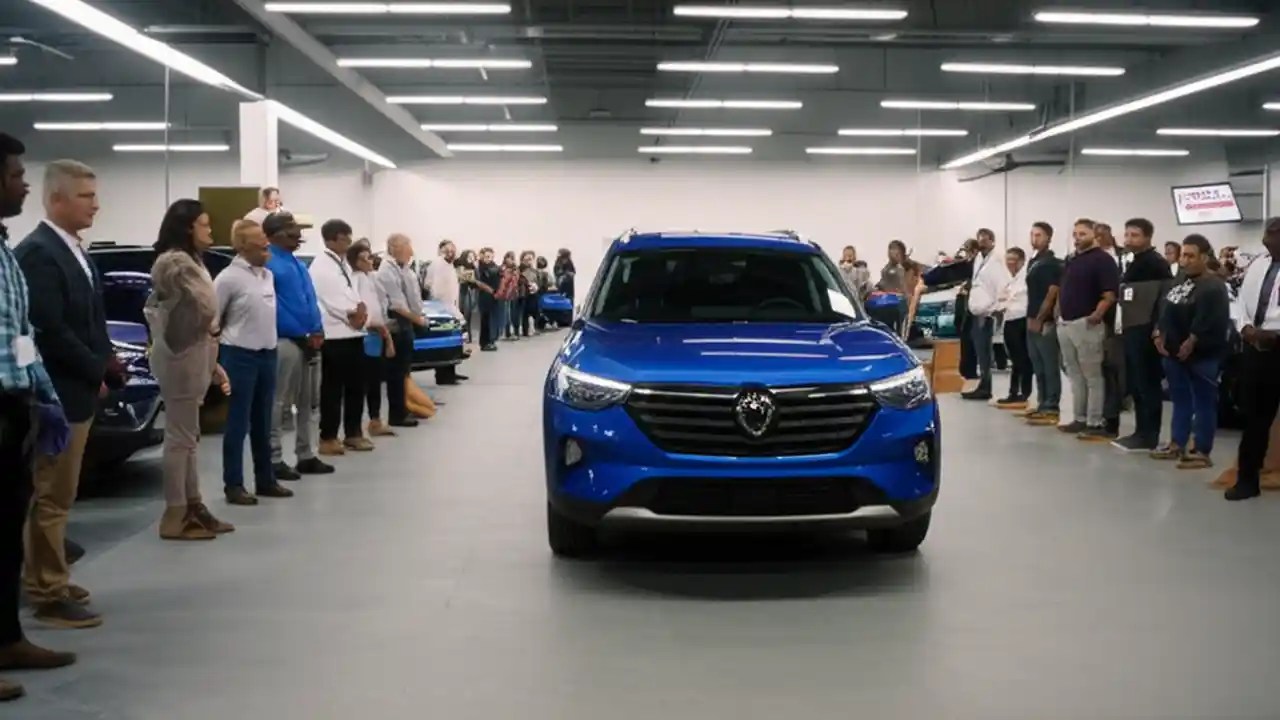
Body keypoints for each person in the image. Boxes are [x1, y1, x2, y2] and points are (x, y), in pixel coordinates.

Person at [14, 159, 115, 629]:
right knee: (50, 497)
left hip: (79, 390)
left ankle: (50, 574)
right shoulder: (39, 253)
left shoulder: (74, 250)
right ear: (56, 200)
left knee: (61, 495)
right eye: (86, 196)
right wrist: (94, 368)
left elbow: (91, 317)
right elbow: (50, 329)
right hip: (58, 393)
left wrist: (106, 361)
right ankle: (46, 591)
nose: (95, 205)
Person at [0, 132, 75, 703]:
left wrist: (43, 395)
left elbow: (21, 333)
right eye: (15, 175)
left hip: (14, 405)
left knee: (6, 533)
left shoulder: (4, 250)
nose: (23, 184)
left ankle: (7, 640)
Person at [144, 199, 232, 539]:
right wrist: (213, 329)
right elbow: (205, 306)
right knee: (180, 438)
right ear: (187, 227)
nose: (210, 231)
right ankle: (175, 513)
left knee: (188, 437)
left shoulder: (191, 260)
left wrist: (212, 361)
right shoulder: (174, 263)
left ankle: (193, 506)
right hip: (181, 355)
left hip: (194, 352)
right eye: (204, 225)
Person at [216, 219, 290, 505]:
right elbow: (213, 320)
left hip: (267, 354)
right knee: (238, 422)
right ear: (243, 246)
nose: (266, 244)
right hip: (239, 355)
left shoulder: (267, 275)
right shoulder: (228, 279)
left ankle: (265, 479)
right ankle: (233, 484)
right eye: (260, 240)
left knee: (263, 420)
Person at [1151, 234, 1231, 470]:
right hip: (1173, 352)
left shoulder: (1214, 286)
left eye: (1190, 256)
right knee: (1180, 399)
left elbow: (1213, 319)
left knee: (1204, 402)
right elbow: (1166, 309)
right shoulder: (1180, 281)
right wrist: (1158, 332)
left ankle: (1201, 450)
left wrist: (1193, 340)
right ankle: (1177, 442)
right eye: (1183, 255)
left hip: (1203, 355)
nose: (1184, 260)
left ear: (1204, 257)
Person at [264, 211, 330, 483]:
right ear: (275, 233)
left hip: (309, 340)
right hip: (286, 340)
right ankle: (273, 458)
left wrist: (317, 328)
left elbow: (309, 300)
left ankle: (306, 453)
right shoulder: (268, 263)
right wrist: (300, 332)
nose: (298, 235)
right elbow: (273, 306)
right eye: (291, 229)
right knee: (278, 402)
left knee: (309, 402)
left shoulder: (297, 264)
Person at [1225, 217, 1280, 501]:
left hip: (1276, 340)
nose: (1266, 241)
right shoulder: (1259, 264)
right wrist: (1246, 328)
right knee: (1255, 418)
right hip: (1256, 348)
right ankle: (1247, 480)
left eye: (1273, 236)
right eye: (1266, 235)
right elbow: (1240, 301)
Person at [1056, 218, 1120, 441]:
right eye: (1075, 234)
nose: (1077, 238)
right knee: (1074, 374)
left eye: (1082, 234)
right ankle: (1079, 417)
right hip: (1066, 323)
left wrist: (1097, 314)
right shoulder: (1072, 259)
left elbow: (1110, 294)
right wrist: (1058, 314)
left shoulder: (1103, 260)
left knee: (1092, 375)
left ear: (1095, 235)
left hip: (1087, 323)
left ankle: (1094, 420)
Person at [310, 219, 370, 455]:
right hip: (336, 335)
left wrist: (360, 309)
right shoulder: (321, 266)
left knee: (356, 387)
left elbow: (350, 292)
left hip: (352, 333)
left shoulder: (342, 263)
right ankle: (328, 437)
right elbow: (332, 299)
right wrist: (352, 313)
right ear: (331, 239)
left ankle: (353, 433)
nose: (348, 242)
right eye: (345, 238)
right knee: (333, 390)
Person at [1112, 218, 1173, 452]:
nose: (1129, 239)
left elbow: (1164, 300)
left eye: (1135, 235)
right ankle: (1140, 430)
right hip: (1131, 327)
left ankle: (1149, 434)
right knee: (1136, 383)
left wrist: (1158, 329)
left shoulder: (1156, 264)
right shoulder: (1133, 262)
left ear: (1148, 237)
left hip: (1145, 329)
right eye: (1127, 234)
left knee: (1147, 383)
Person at [348, 241, 395, 437]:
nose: (371, 262)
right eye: (366, 258)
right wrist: (382, 330)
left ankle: (375, 420)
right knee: (365, 383)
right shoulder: (356, 279)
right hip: (367, 335)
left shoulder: (370, 278)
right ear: (356, 261)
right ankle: (362, 425)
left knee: (375, 381)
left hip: (376, 335)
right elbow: (362, 310)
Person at [378, 234, 425, 426]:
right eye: (408, 246)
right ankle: (397, 414)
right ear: (395, 248)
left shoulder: (403, 268)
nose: (411, 251)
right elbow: (397, 304)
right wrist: (419, 320)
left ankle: (405, 407)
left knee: (404, 371)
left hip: (407, 322)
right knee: (396, 373)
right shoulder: (387, 271)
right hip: (397, 323)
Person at [962, 228, 1012, 401]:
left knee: (984, 351)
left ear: (992, 241)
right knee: (979, 350)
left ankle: (986, 386)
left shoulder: (996, 261)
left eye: (985, 240)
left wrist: (996, 309)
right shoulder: (978, 259)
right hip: (977, 311)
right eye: (980, 240)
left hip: (987, 312)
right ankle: (983, 383)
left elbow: (1002, 286)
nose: (981, 243)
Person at [1024, 222, 1064, 426]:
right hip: (1031, 317)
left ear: (1048, 237)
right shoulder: (1034, 261)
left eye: (1039, 235)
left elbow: (1052, 292)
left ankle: (1051, 405)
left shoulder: (1051, 263)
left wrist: (1041, 318)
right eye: (1032, 234)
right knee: (1038, 365)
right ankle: (1042, 402)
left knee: (1049, 365)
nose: (1034, 238)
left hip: (1045, 321)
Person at [996, 247, 1031, 408]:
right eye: (1008, 260)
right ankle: (1014, 392)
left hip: (1020, 319)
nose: (1010, 263)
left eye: (1013, 260)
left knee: (1022, 359)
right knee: (1015, 359)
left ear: (1021, 261)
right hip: (1010, 319)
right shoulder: (1011, 278)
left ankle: (1023, 392)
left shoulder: (1025, 278)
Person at [429, 240, 468, 384]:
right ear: (441, 251)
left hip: (451, 307)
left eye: (453, 251)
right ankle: (443, 376)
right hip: (442, 309)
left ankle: (451, 371)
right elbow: (434, 288)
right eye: (448, 251)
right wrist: (443, 308)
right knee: (445, 342)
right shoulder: (438, 265)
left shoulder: (449, 265)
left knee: (453, 342)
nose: (451, 253)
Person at [476, 247, 502, 351]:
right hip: (484, 296)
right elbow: (478, 282)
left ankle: (492, 340)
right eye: (486, 256)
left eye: (490, 256)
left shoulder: (496, 267)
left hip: (495, 296)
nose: (488, 259)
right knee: (485, 320)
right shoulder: (479, 268)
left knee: (493, 319)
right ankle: (484, 342)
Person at [455, 249, 479, 344]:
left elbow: (476, 282)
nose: (471, 259)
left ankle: (468, 336)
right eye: (469, 257)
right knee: (460, 314)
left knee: (467, 316)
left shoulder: (473, 267)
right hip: (460, 291)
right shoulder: (458, 266)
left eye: (472, 257)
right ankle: (461, 336)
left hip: (469, 292)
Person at [498, 251, 522, 341]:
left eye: (512, 258)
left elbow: (516, 280)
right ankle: (507, 332)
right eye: (508, 258)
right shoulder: (502, 268)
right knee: (506, 314)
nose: (510, 260)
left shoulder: (515, 269)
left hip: (513, 293)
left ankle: (515, 332)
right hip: (504, 294)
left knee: (513, 314)